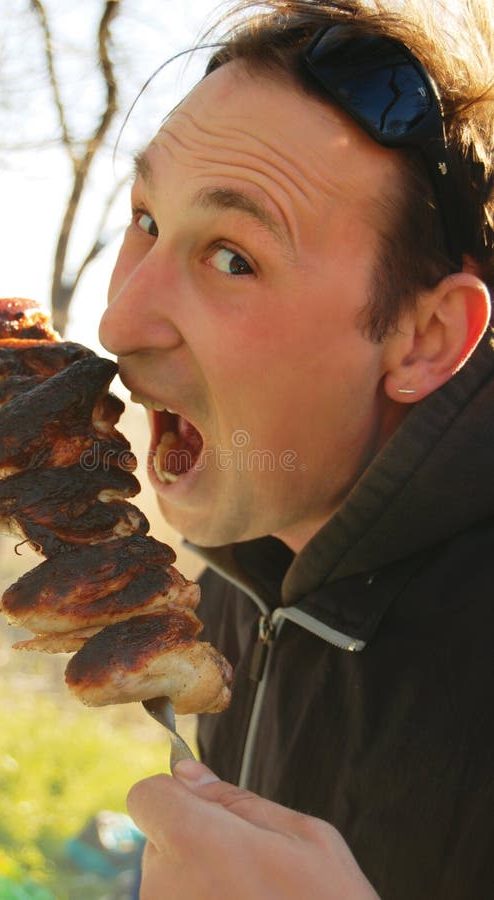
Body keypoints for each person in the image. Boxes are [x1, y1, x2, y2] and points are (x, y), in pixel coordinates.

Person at [98, 0, 494, 897]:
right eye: (148, 221)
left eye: (234, 258)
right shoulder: (239, 579)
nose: (119, 322)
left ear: (427, 339)